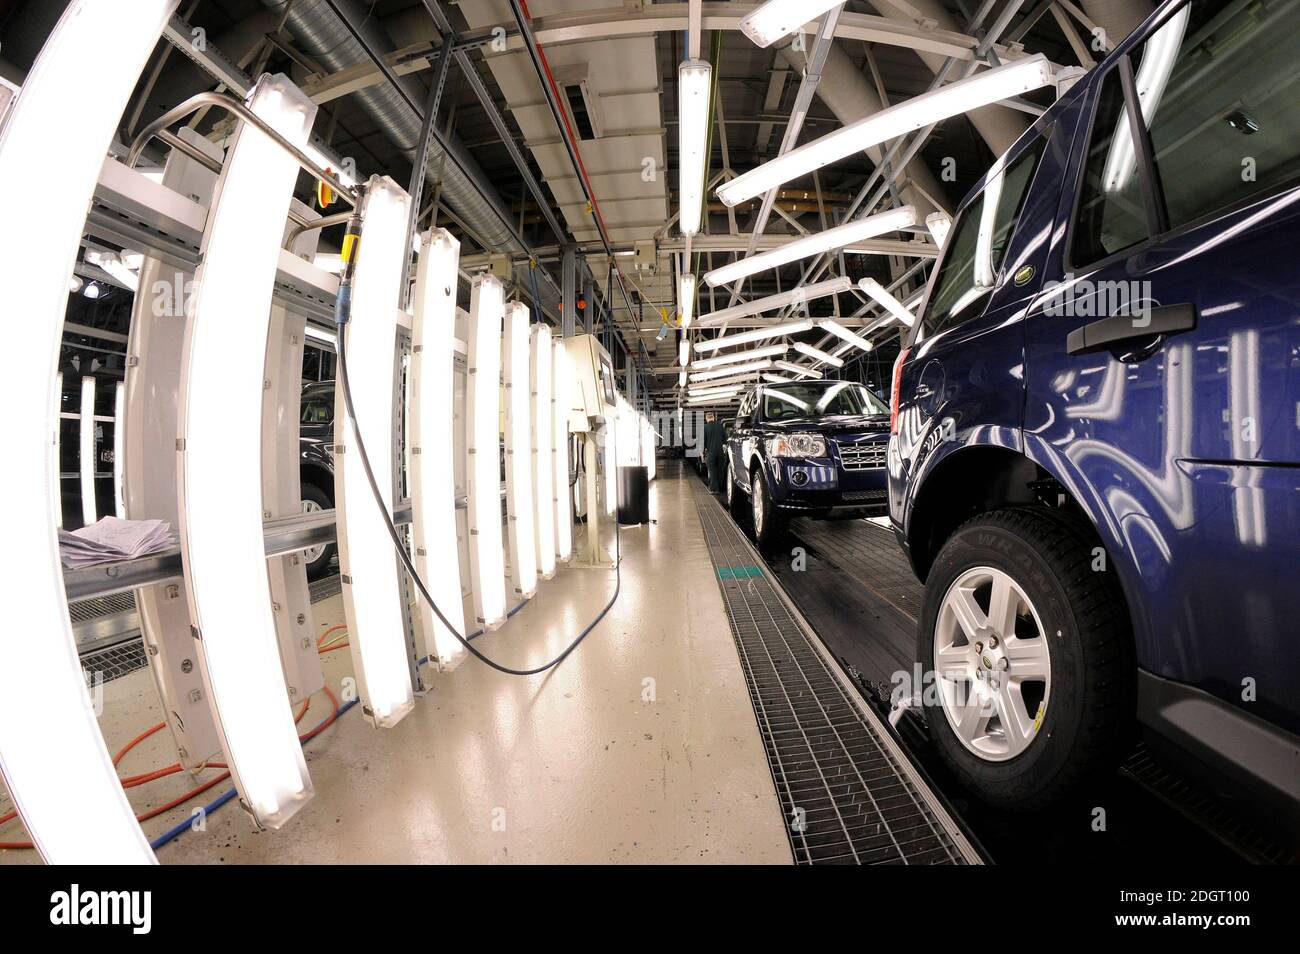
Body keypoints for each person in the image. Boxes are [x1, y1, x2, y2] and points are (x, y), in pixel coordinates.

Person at [703, 411, 726, 493]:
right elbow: (725, 438)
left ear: (706, 418)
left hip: (711, 452)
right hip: (720, 451)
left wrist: (702, 453)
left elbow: (703, 441)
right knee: (720, 469)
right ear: (713, 417)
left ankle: (714, 489)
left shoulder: (705, 427)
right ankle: (721, 488)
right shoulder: (720, 425)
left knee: (712, 470)